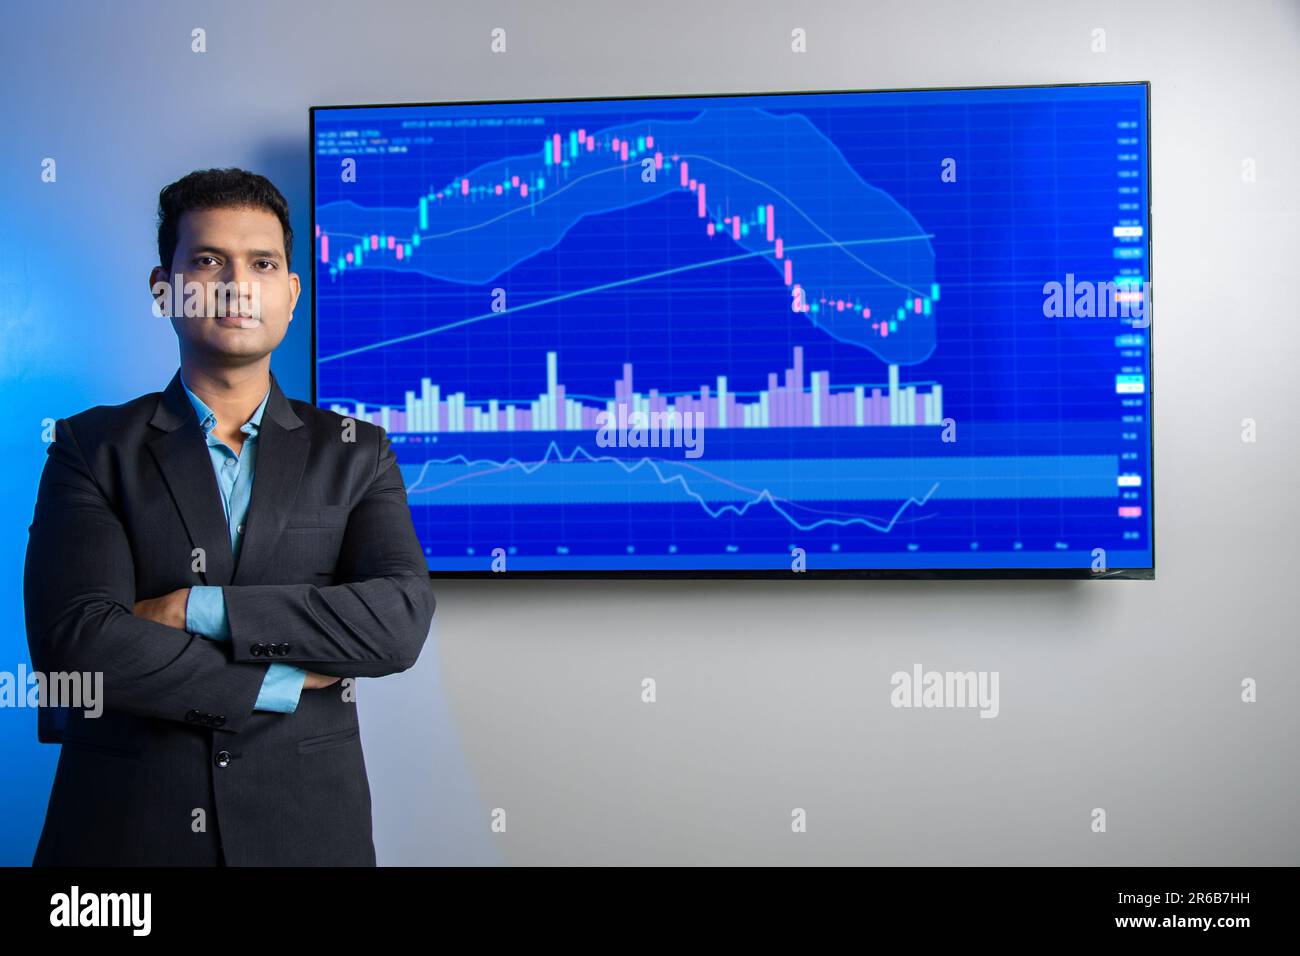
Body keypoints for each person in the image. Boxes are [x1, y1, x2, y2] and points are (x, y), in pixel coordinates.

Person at [24, 168, 435, 865]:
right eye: (208, 260)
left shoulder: (357, 454)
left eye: (263, 263)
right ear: (164, 290)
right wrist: (278, 680)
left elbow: (396, 624)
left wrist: (194, 608)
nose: (237, 284)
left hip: (305, 833)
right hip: (127, 839)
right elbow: (80, 650)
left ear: (292, 293)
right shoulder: (88, 448)